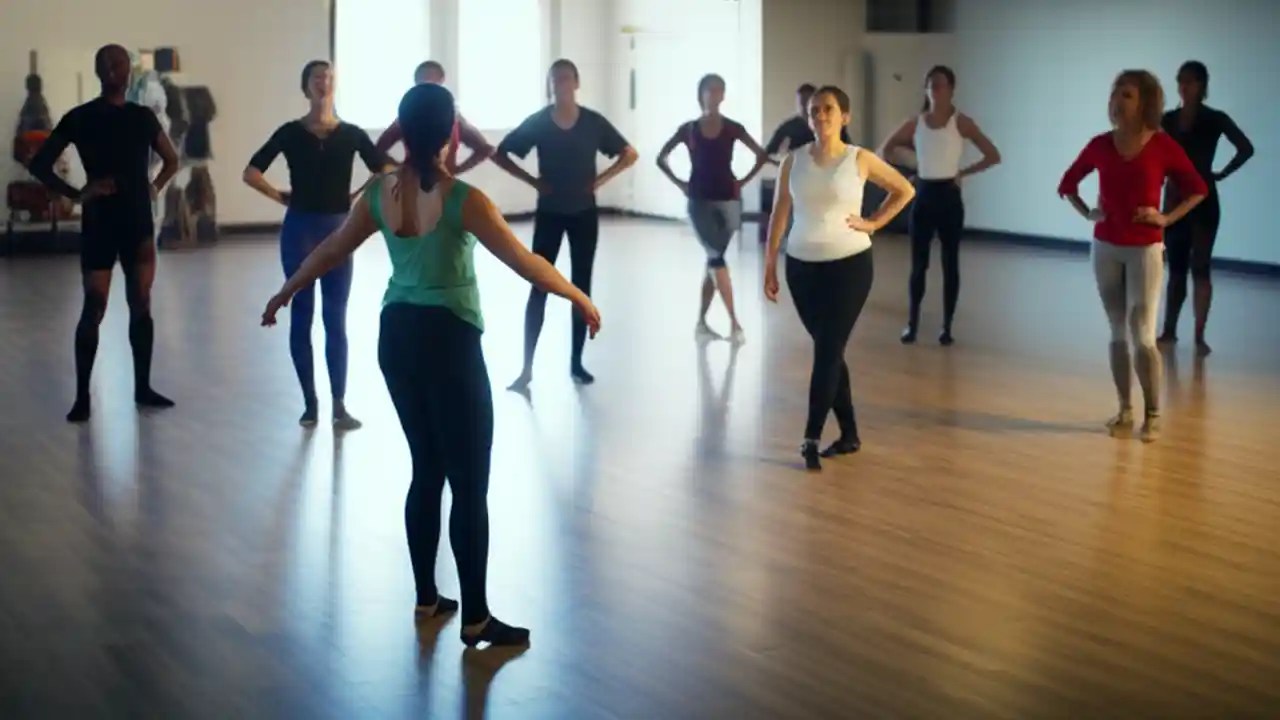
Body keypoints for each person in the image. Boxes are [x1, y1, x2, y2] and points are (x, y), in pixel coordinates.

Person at [261, 83, 600, 648]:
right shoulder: (465, 199)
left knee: (426, 468)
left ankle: (427, 598)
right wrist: (579, 296)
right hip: (449, 341)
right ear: (451, 134)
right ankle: (476, 617)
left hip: (396, 339)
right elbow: (527, 264)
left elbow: (329, 250)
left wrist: (287, 290)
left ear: (401, 128)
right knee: (469, 484)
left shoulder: (377, 192)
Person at [763, 86, 915, 472]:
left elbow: (904, 189)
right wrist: (769, 264)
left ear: (844, 117)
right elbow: (781, 212)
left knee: (827, 350)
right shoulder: (791, 162)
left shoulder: (859, 159)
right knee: (829, 349)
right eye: (815, 110)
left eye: (829, 109)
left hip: (849, 266)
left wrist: (875, 223)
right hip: (801, 268)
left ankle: (810, 437)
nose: (821, 116)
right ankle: (849, 434)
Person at [28, 44, 180, 423]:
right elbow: (41, 164)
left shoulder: (142, 117)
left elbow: (171, 159)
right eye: (108, 64)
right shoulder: (80, 118)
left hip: (137, 223)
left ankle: (142, 388)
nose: (114, 69)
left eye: (119, 63)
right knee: (94, 306)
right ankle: (82, 396)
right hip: (100, 223)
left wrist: (155, 185)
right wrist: (79, 194)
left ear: (128, 71)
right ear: (99, 72)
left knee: (141, 302)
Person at [1058, 70, 1207, 443]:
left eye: (1125, 94)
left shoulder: (1162, 145)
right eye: (1114, 93)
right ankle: (1125, 409)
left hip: (1145, 248)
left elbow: (1197, 188)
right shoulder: (1100, 145)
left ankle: (1153, 412)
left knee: (1143, 335)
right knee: (1116, 332)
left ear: (1145, 102)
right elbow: (1067, 184)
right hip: (1106, 246)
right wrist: (1087, 212)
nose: (1116, 101)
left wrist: (1166, 218)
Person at [243, 60, 391, 430]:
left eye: (328, 78)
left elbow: (385, 170)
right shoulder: (291, 133)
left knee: (335, 318)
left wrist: (361, 194)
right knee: (302, 314)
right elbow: (251, 171)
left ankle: (339, 404)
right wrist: (278, 196)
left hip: (339, 230)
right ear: (305, 87)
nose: (323, 83)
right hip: (301, 229)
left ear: (334, 85)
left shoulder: (353, 134)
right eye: (316, 78)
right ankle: (311, 404)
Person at [493, 58, 638, 390]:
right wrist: (533, 182)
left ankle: (576, 363)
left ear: (576, 82)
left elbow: (629, 154)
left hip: (584, 214)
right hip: (550, 214)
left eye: (566, 79)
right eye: (555, 79)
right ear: (550, 85)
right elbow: (501, 153)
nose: (561, 84)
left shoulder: (592, 123)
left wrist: (600, 180)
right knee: (539, 284)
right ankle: (527, 368)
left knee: (580, 288)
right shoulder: (540, 122)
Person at [878, 65, 1001, 345]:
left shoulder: (961, 122)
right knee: (918, 266)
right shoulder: (916, 122)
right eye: (930, 84)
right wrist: (913, 165)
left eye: (940, 84)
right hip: (923, 195)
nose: (934, 89)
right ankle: (912, 324)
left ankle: (947, 327)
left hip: (948, 196)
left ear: (951, 89)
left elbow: (993, 154)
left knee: (950, 263)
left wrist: (963, 173)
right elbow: (885, 149)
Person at [656, 73, 768, 342]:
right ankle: (735, 324)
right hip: (699, 201)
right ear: (701, 95)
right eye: (710, 90)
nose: (715, 95)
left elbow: (761, 155)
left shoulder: (732, 128)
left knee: (713, 260)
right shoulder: (689, 130)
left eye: (720, 90)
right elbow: (661, 158)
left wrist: (742, 182)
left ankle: (701, 323)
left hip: (728, 200)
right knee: (717, 258)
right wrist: (680, 183)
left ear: (723, 96)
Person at [1158, 61, 1254, 355]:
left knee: (1200, 267)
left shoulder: (1215, 119)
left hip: (1202, 199)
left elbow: (1245, 148)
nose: (1184, 87)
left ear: (1202, 85)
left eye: (1190, 81)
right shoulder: (1168, 119)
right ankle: (1170, 331)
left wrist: (1220, 173)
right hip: (1175, 198)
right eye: (1181, 81)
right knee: (1175, 269)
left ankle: (1199, 336)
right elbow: (1152, 152)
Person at [374, 60, 494, 175]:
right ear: (416, 85)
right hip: (413, 184)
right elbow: (376, 151)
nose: (429, 92)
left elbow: (486, 149)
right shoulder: (406, 118)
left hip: (444, 186)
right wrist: (399, 169)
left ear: (442, 82)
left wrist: (456, 171)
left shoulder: (455, 119)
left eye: (433, 85)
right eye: (424, 85)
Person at [764, 83, 850, 162]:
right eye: (801, 104)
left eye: (807, 103)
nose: (805, 107)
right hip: (799, 173)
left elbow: (848, 151)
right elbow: (769, 152)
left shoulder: (832, 124)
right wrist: (783, 164)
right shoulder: (789, 127)